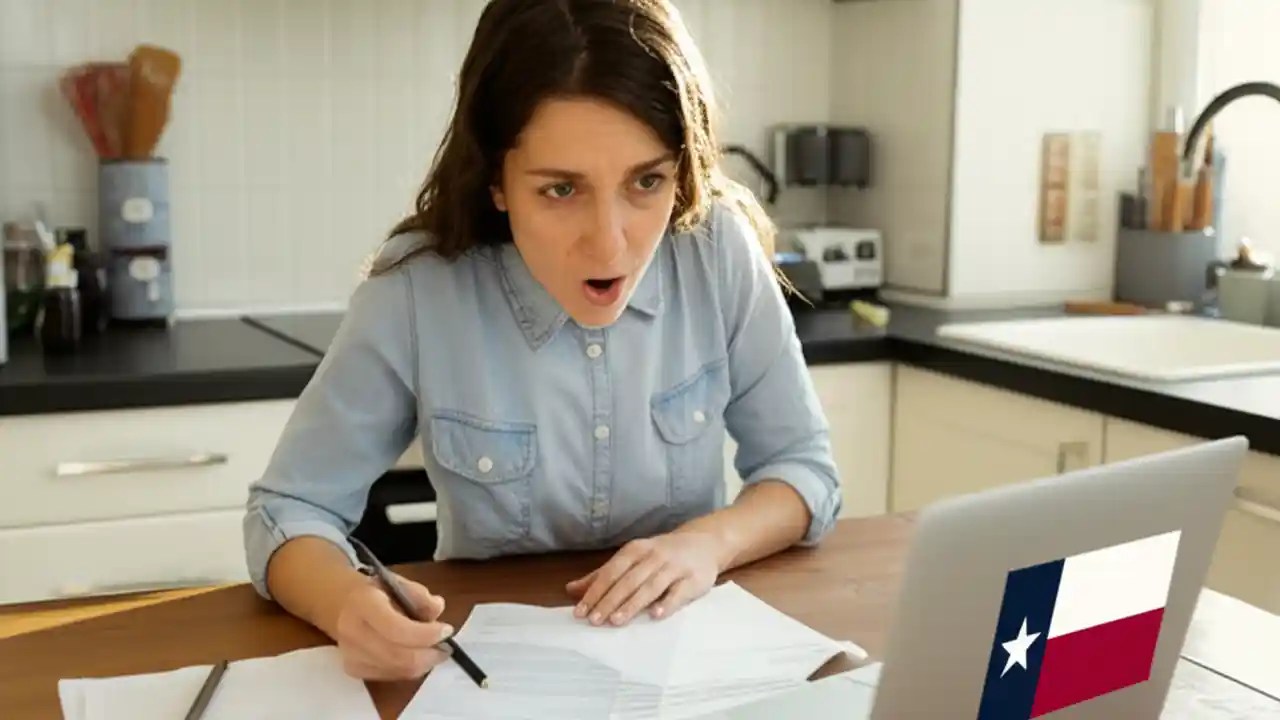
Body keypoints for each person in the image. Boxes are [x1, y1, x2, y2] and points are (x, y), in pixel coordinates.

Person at [243, 0, 841, 682]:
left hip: (687, 667)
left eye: (647, 182)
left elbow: (805, 470)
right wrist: (346, 602)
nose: (610, 243)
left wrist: (708, 544)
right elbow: (288, 510)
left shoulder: (716, 249)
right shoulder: (418, 288)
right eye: (561, 189)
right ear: (496, 179)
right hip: (493, 679)